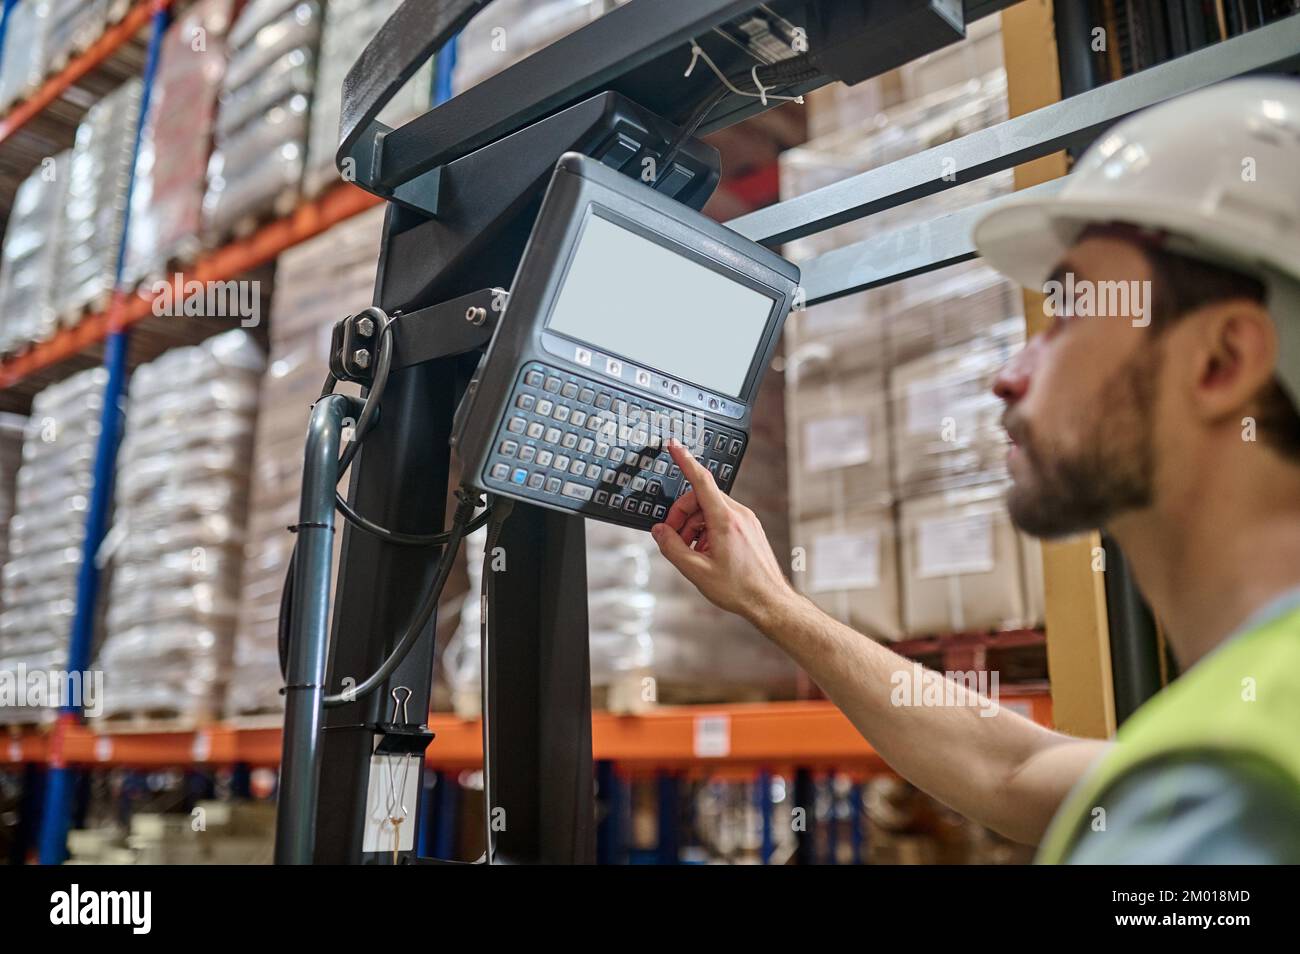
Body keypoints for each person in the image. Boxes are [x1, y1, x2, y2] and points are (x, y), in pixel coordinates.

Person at [650, 77, 1300, 863]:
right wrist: (774, 606)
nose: (1010, 374)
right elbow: (1015, 772)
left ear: (1221, 360)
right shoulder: (1231, 739)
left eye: (1066, 312)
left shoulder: (1243, 786)